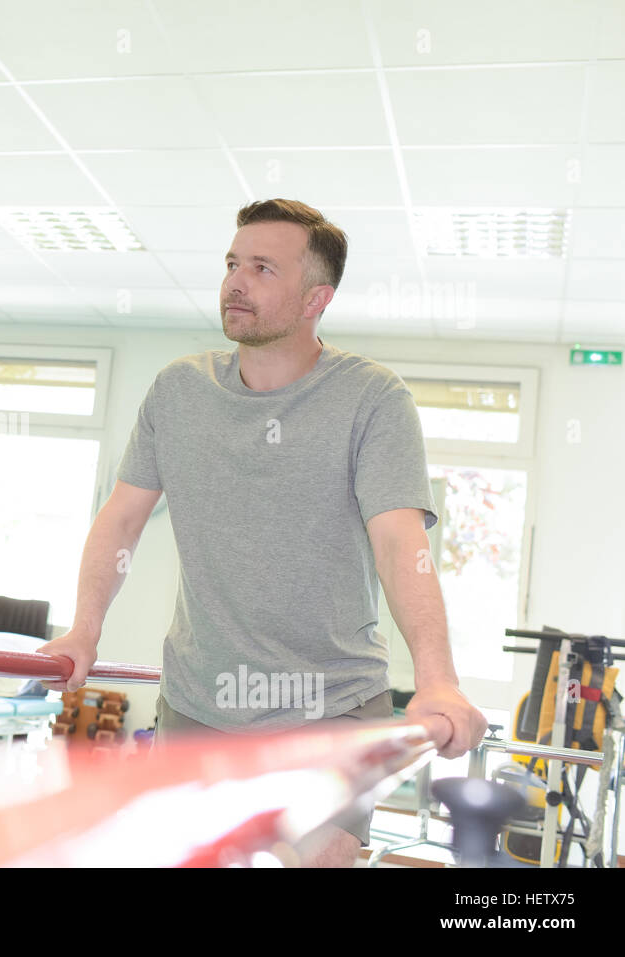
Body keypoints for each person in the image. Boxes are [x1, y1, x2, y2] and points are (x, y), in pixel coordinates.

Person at [38, 198, 488, 867]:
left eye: (262, 268)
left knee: (320, 860)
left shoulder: (373, 400)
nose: (235, 282)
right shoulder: (178, 392)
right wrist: (84, 629)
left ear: (316, 298)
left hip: (330, 708)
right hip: (198, 704)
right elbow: (120, 521)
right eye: (231, 263)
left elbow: (402, 547)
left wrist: (438, 678)